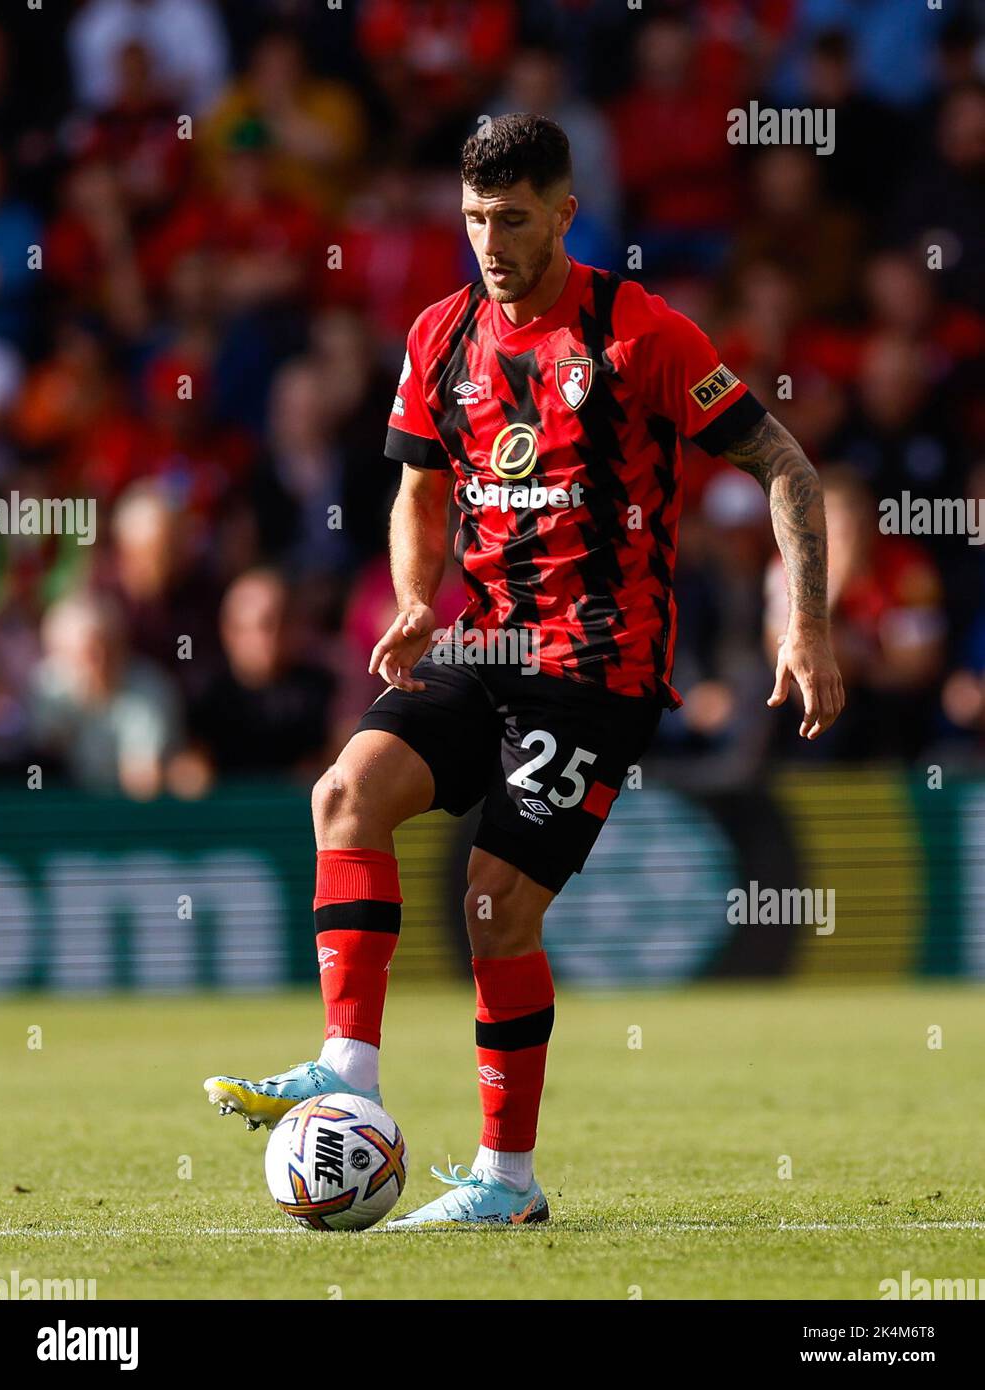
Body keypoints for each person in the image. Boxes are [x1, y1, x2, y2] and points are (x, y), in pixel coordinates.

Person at [204, 114, 844, 1228]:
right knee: (342, 794)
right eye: (471, 219)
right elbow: (413, 490)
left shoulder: (637, 333)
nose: (489, 241)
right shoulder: (437, 336)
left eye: (510, 218)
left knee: (494, 905)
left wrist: (807, 624)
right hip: (484, 638)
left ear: (563, 210)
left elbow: (778, 458)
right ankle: (346, 1067)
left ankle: (507, 1180)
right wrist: (413, 597)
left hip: (597, 666)